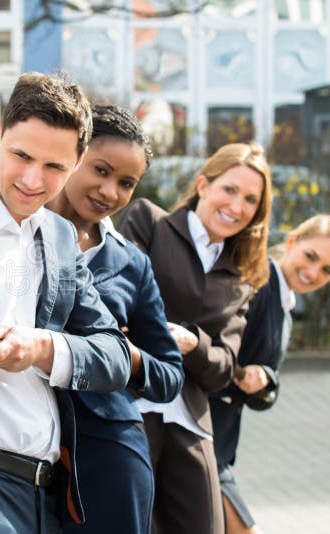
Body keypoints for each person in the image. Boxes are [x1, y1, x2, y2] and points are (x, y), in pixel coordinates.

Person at [0, 73, 132, 534]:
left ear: (77, 163)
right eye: (22, 156)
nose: (33, 180)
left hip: (48, 496)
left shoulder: (60, 236)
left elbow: (115, 355)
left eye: (55, 167)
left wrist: (43, 349)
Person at [117, 142, 273, 534]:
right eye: (229, 189)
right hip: (133, 401)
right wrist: (161, 334)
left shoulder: (241, 279)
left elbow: (223, 368)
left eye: (250, 200)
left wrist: (194, 344)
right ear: (203, 185)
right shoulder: (149, 221)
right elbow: (120, 302)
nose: (237, 206)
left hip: (190, 419)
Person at [46, 104, 184, 534]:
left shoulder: (132, 263)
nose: (109, 191)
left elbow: (170, 375)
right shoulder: (18, 225)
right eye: (101, 170)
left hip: (108, 456)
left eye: (126, 183)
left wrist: (122, 352)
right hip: (9, 443)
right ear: (75, 155)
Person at [210, 214, 330, 534]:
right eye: (310, 256)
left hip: (220, 442)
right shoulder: (255, 283)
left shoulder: (285, 306)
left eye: (327, 270)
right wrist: (245, 374)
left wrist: (264, 380)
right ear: (291, 242)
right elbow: (213, 346)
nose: (313, 272)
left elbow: (262, 389)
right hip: (200, 433)